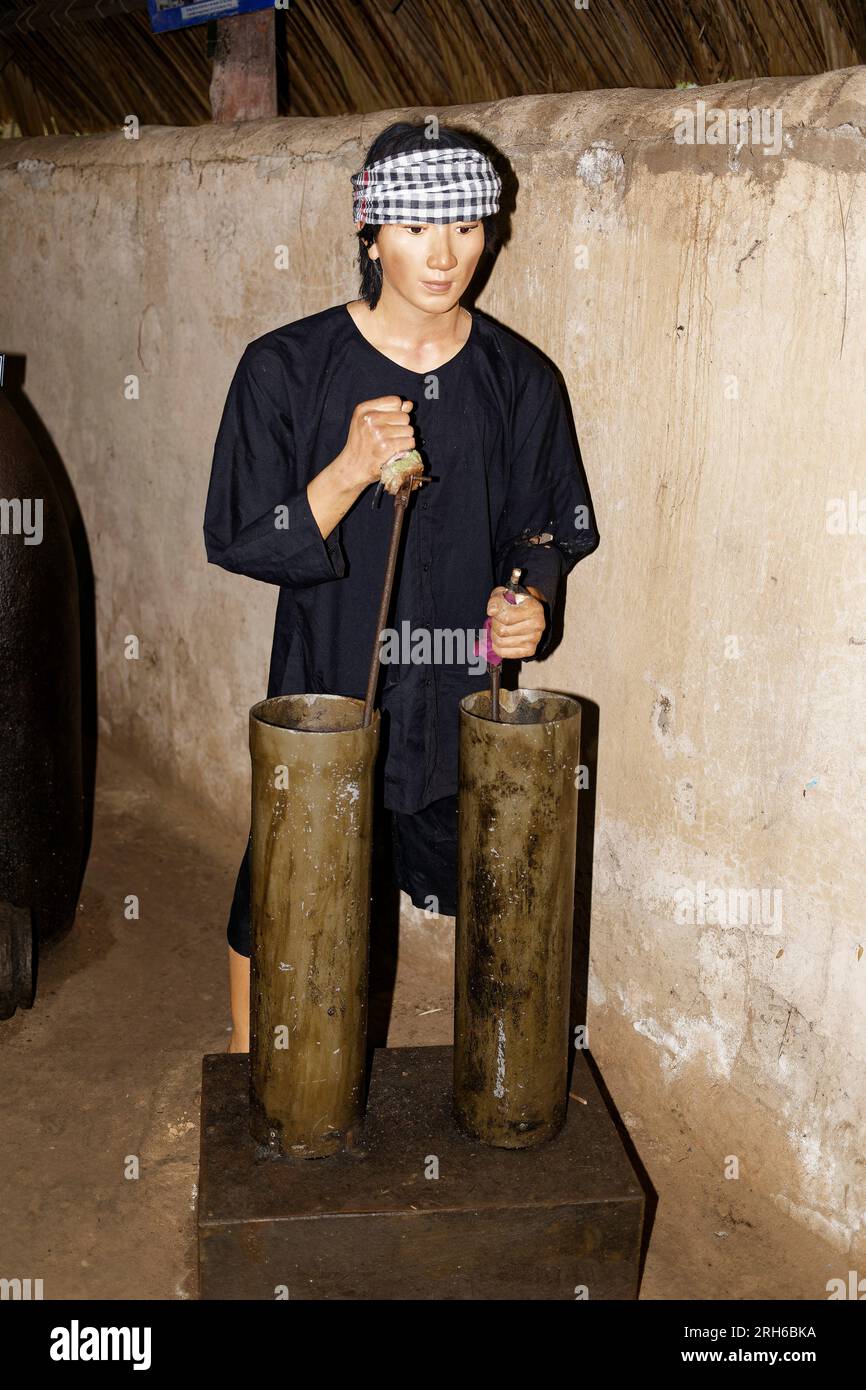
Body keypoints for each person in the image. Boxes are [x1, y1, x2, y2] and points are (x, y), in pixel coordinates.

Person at [203, 121, 600, 1053]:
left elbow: (546, 527)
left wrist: (529, 600)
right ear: (370, 230)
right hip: (335, 680)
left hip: (464, 690)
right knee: (290, 883)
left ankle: (499, 1102)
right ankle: (257, 1073)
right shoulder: (284, 370)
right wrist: (345, 470)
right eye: (419, 227)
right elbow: (240, 537)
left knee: (503, 887)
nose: (445, 253)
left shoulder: (521, 378)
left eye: (467, 226)